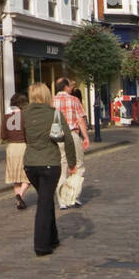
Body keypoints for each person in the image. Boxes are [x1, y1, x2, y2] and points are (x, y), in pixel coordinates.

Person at [21, 82, 78, 256]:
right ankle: (41, 246)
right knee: (44, 203)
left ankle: (52, 238)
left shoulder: (23, 114)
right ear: (46, 95)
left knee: (46, 199)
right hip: (49, 163)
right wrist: (72, 163)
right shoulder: (54, 114)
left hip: (30, 164)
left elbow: (25, 137)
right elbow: (67, 139)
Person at [54, 76, 89, 208]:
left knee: (62, 167)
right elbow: (80, 120)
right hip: (72, 135)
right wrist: (86, 137)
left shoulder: (51, 101)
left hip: (57, 136)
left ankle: (61, 201)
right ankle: (73, 196)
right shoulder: (74, 100)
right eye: (70, 86)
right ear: (66, 87)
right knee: (78, 166)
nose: (71, 88)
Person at [1, 92, 30, 209]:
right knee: (28, 176)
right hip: (23, 147)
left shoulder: (7, 117)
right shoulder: (25, 116)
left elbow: (3, 136)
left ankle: (19, 202)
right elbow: (28, 134)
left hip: (11, 148)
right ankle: (20, 194)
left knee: (16, 178)